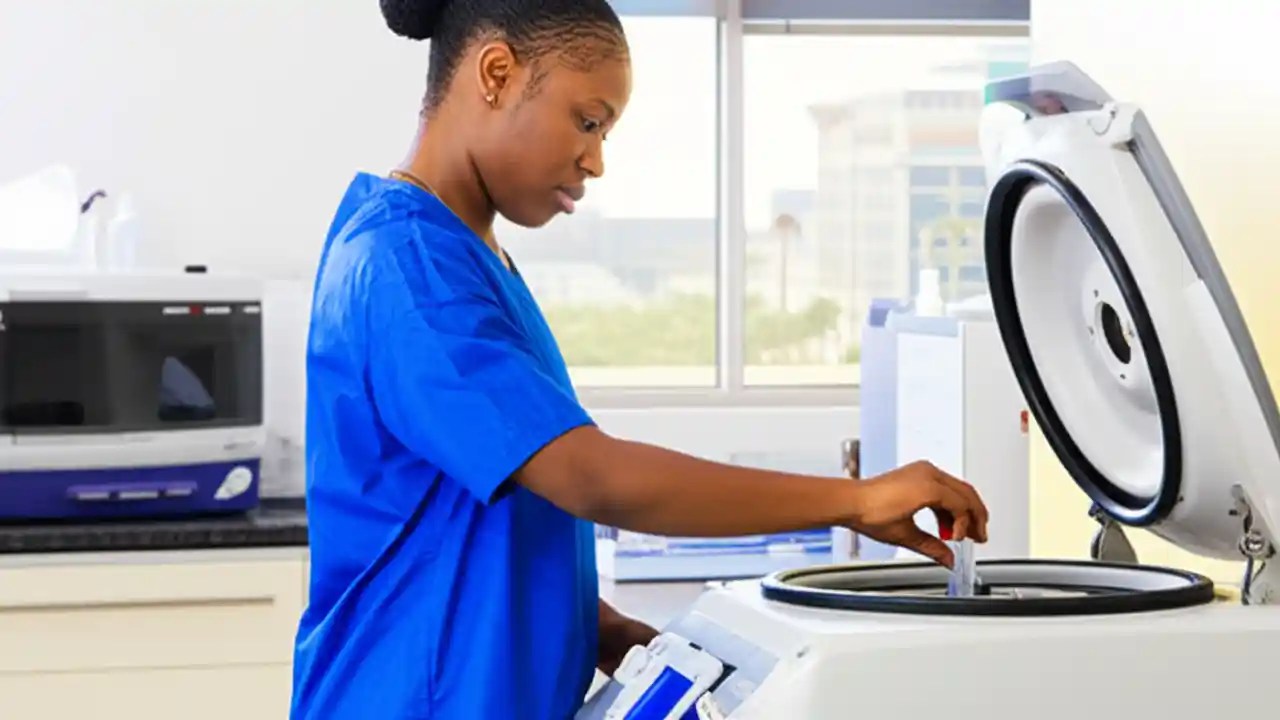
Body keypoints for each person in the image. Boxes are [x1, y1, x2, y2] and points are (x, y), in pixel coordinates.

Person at [289, 0, 991, 718]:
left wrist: (610, 634)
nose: (596, 158)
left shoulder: (465, 257)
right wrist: (858, 500)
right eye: (588, 121)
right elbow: (585, 474)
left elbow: (464, 525)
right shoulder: (411, 266)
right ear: (496, 73)